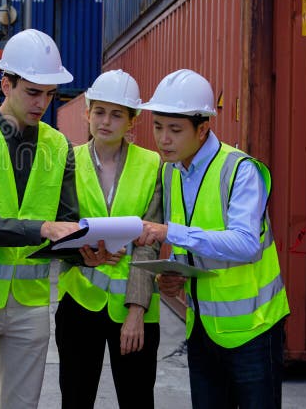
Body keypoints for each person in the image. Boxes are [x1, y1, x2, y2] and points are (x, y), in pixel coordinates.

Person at [0, 29, 95, 409]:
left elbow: (67, 222)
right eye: (33, 92)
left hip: (30, 303)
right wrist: (43, 229)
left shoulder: (58, 145)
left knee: (22, 405)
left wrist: (85, 251)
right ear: (5, 83)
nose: (42, 102)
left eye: (50, 94)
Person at [137, 69, 290, 409]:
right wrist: (174, 275)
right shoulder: (170, 170)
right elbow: (193, 245)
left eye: (175, 130)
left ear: (202, 127)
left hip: (253, 329)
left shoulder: (240, 171)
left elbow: (247, 244)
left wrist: (169, 232)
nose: (163, 139)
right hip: (202, 328)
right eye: (158, 127)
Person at [55, 69, 163, 409]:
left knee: (137, 400)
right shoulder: (68, 161)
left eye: (117, 114)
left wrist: (136, 311)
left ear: (132, 121)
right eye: (99, 112)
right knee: (75, 399)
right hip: (79, 302)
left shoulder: (152, 165)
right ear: (87, 113)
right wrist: (83, 250)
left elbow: (151, 243)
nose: (106, 121)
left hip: (134, 308)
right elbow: (59, 225)